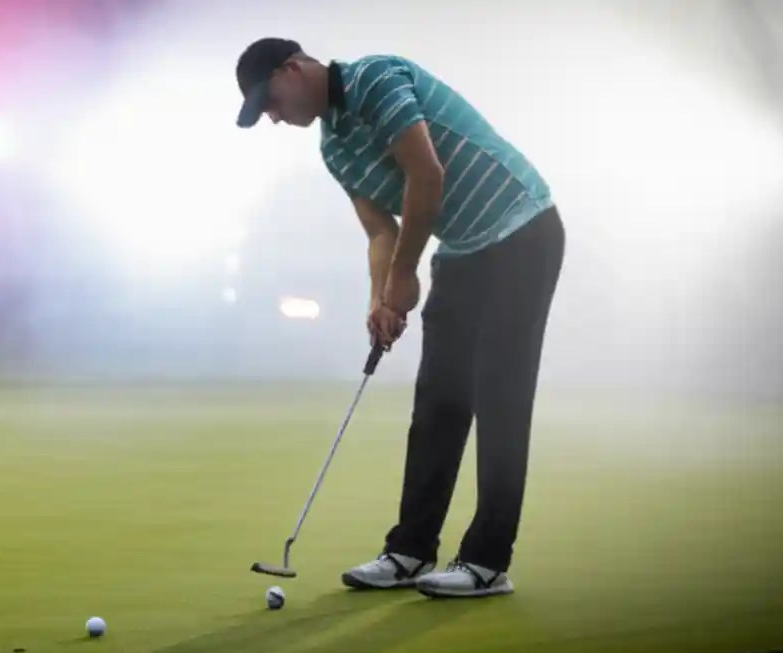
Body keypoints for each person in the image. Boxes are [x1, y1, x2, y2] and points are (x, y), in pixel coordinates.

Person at [234, 38, 564, 598]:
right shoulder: (333, 147)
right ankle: (410, 549)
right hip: (462, 248)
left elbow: (426, 175)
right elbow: (381, 231)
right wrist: (381, 299)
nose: (273, 116)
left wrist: (405, 275)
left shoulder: (376, 78)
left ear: (294, 68)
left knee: (499, 398)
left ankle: (487, 561)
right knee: (439, 399)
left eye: (270, 100)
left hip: (522, 230)